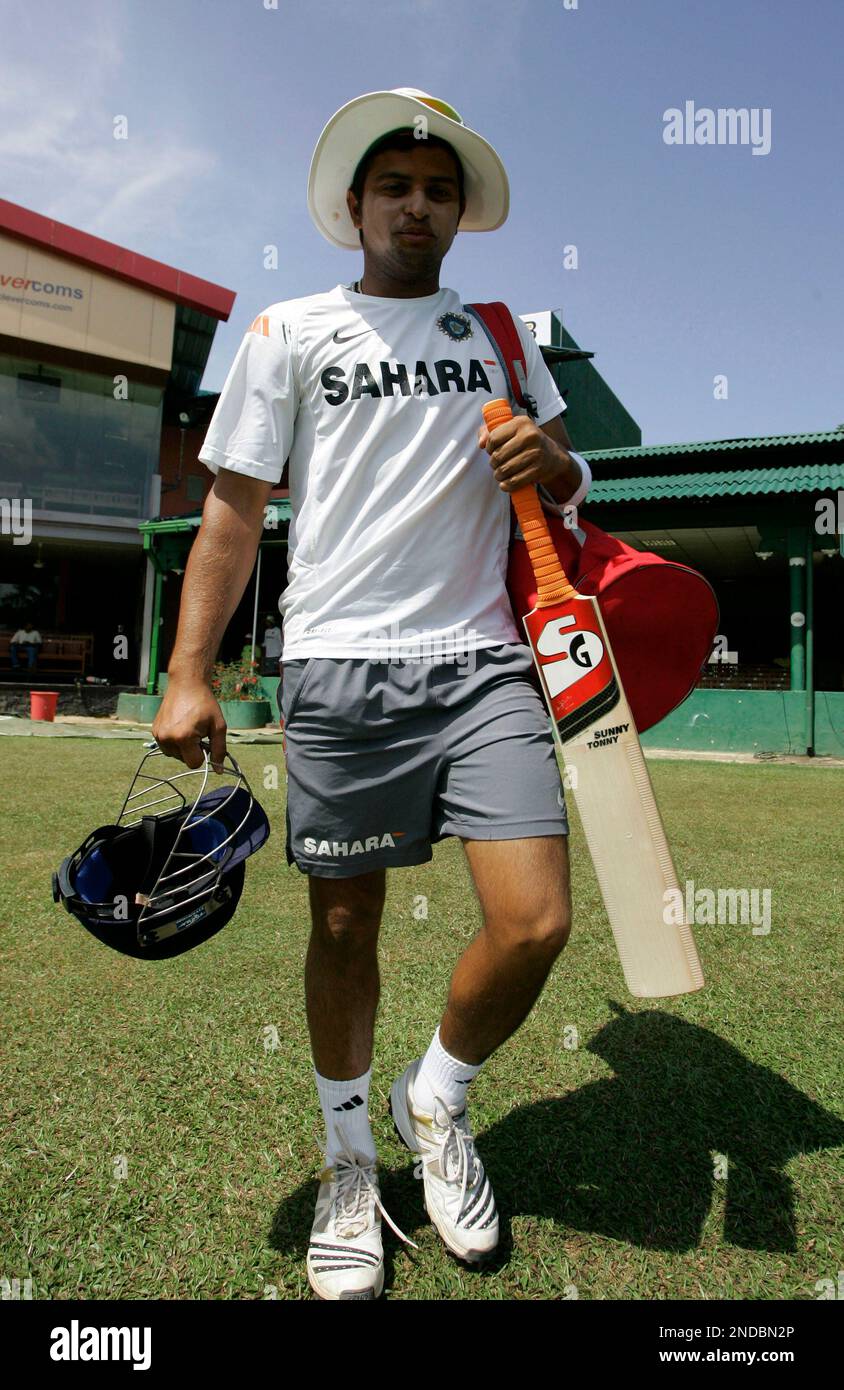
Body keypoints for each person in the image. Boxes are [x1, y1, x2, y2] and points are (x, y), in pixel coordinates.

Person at [152, 87, 593, 1302]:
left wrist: (547, 457)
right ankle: (351, 1160)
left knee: (536, 920)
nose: (415, 204)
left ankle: (432, 1101)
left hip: (486, 659)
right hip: (341, 665)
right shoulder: (289, 332)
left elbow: (571, 480)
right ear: (355, 207)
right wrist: (190, 672)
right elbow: (233, 513)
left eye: (436, 190)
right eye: (393, 186)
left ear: (459, 215)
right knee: (344, 925)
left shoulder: (504, 333)